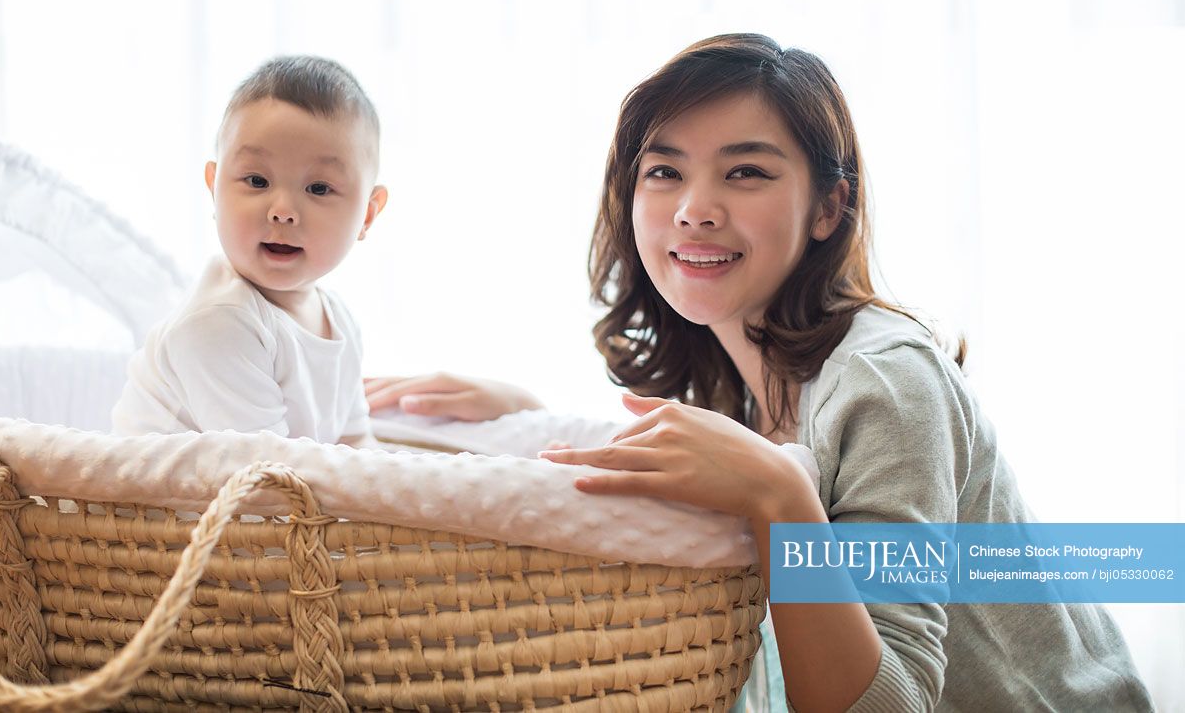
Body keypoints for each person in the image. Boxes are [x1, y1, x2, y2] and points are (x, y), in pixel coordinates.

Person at [366, 35, 1152, 711]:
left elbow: (889, 701)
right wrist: (526, 419)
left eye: (744, 172)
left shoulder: (883, 380)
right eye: (663, 172)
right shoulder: (735, 376)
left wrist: (779, 496)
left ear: (826, 207)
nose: (693, 207)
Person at [112, 55, 387, 445]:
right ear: (214, 188)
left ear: (368, 215)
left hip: (275, 498)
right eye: (257, 181)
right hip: (175, 504)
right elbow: (268, 477)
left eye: (319, 189)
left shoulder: (339, 320)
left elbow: (356, 445)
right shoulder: (219, 323)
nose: (283, 212)